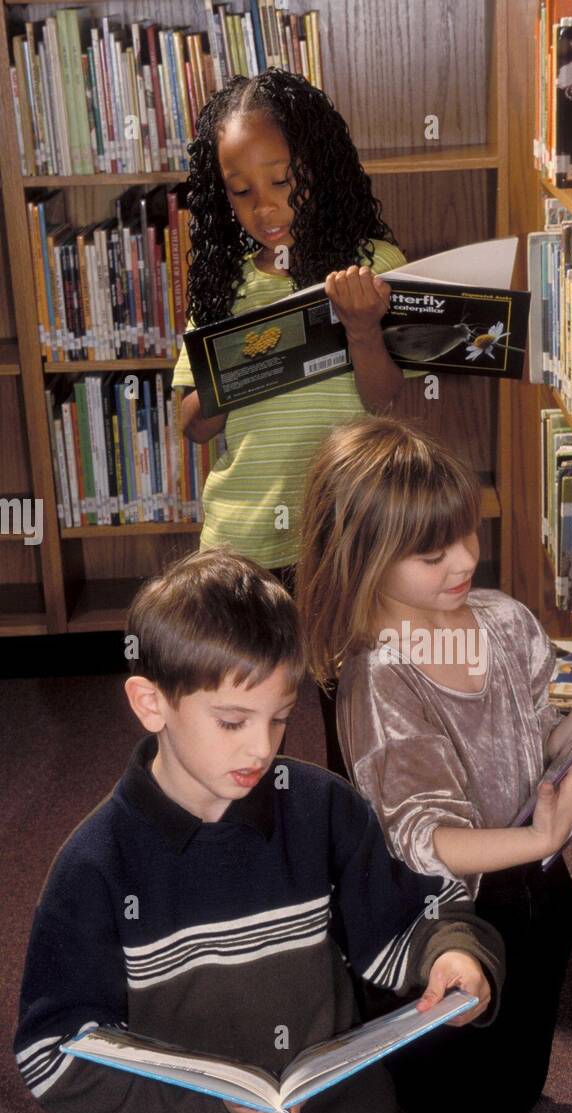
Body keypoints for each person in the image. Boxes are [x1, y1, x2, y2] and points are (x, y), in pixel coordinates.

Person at [13, 549, 509, 1113]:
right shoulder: (95, 866)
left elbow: (418, 919)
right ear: (151, 703)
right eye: (232, 720)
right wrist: (205, 1112)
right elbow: (52, 1057)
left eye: (280, 718)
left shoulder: (319, 807)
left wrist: (456, 954)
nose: (261, 748)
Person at [295, 417, 572, 1113]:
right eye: (431, 552)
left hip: (538, 887)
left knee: (512, 1095)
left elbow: (535, 752)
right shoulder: (380, 677)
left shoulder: (505, 622)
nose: (465, 560)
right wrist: (539, 837)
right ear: (364, 555)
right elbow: (423, 839)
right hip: (450, 919)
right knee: (453, 1100)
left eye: (467, 535)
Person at [171, 70, 417, 775]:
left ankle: (357, 842)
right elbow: (194, 424)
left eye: (281, 181)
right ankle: (253, 847)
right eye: (241, 190)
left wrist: (364, 327)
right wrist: (245, 360)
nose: (265, 207)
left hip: (346, 528)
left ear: (320, 169)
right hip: (247, 533)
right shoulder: (223, 288)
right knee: (244, 707)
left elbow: (385, 400)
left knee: (356, 707)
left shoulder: (374, 270)